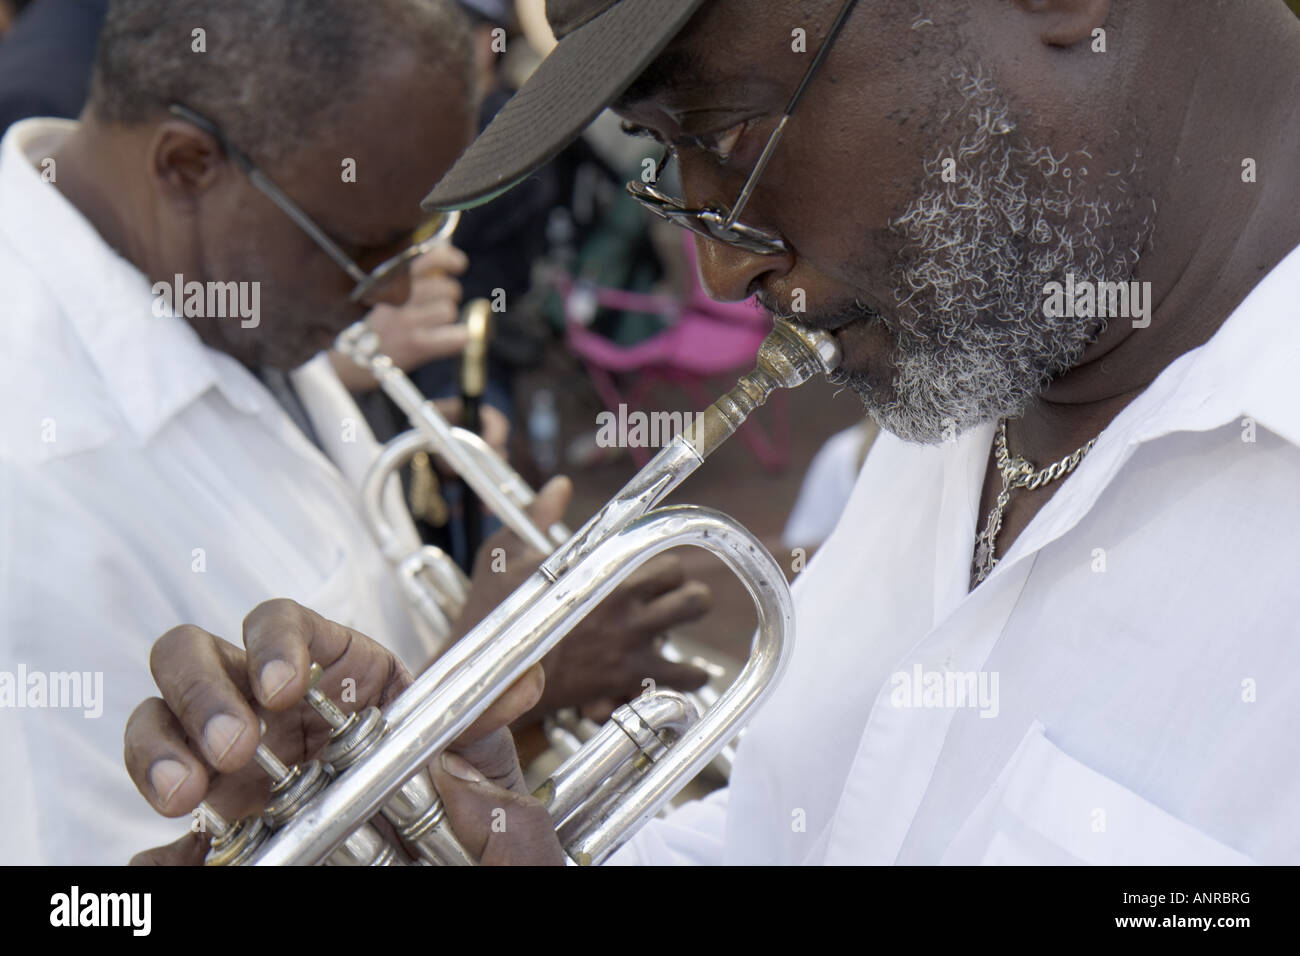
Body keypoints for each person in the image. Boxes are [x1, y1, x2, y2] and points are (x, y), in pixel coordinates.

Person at [128, 0, 1300, 865]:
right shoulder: (980, 340)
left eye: (731, 135)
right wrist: (470, 834)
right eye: (664, 164)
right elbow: (802, 828)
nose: (724, 269)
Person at [0, 0, 710, 866]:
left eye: (424, 235)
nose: (395, 292)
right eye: (365, 253)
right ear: (187, 166)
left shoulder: (208, 288)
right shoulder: (30, 476)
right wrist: (487, 680)